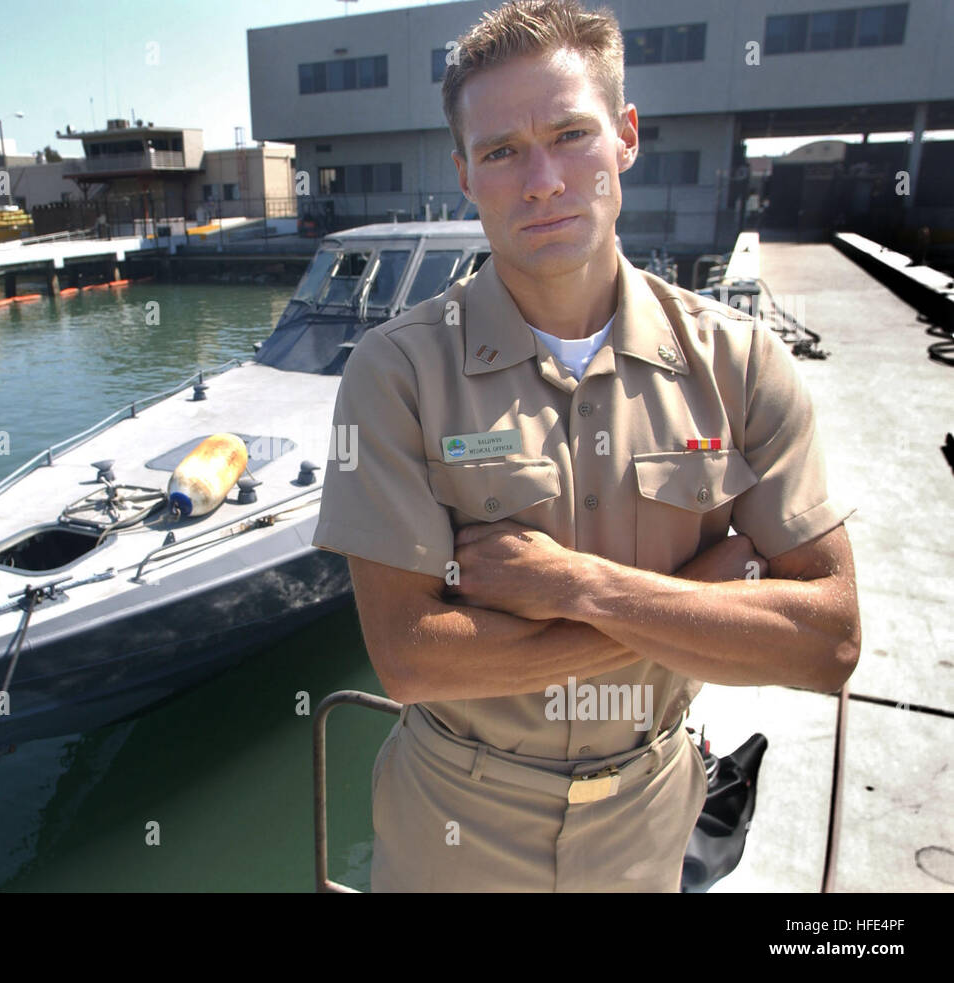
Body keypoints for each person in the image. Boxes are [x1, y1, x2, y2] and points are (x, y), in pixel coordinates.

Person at [311, 0, 860, 893]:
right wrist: (694, 605)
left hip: (648, 825)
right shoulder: (395, 374)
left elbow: (828, 640)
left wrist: (577, 586)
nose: (542, 180)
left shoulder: (743, 364)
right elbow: (411, 659)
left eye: (570, 134)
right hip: (453, 827)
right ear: (464, 172)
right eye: (501, 151)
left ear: (626, 136)